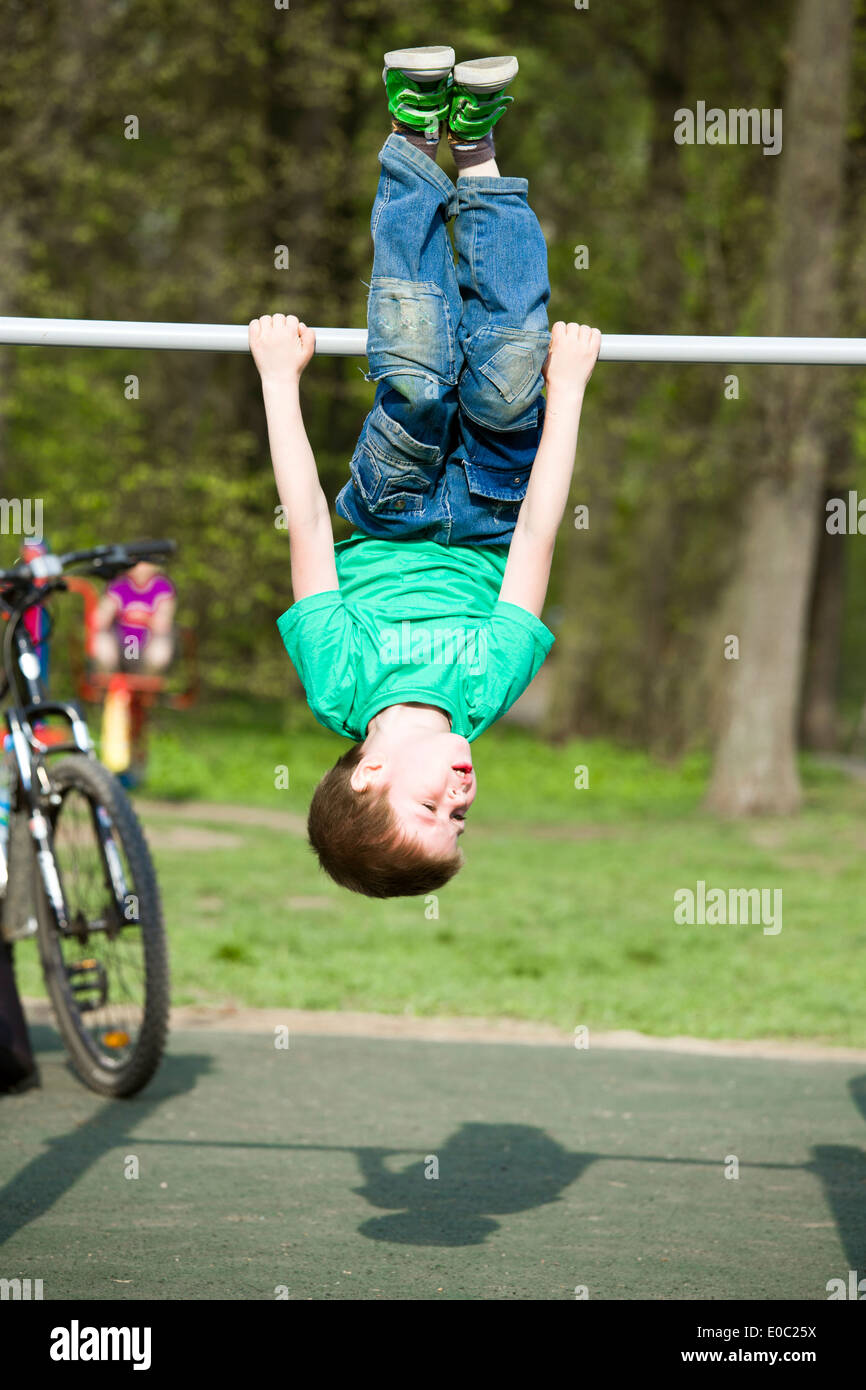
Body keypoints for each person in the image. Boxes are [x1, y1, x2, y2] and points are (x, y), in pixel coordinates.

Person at [249, 46, 601, 898]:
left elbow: (304, 522)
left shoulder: (336, 678)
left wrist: (276, 381)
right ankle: (477, 153)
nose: (461, 799)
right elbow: (538, 537)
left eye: (431, 811)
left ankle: (413, 136)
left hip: (392, 508)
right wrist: (569, 394)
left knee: (414, 374)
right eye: (461, 821)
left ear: (366, 778)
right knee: (512, 370)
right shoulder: (488, 687)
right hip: (493, 504)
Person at [92, 561, 176, 674]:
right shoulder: (118, 585)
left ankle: (147, 686)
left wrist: (143, 619)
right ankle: (108, 684)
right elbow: (100, 619)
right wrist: (105, 615)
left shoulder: (162, 587)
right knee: (100, 640)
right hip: (120, 642)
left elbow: (163, 625)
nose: (140, 568)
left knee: (160, 649)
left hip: (147, 644)